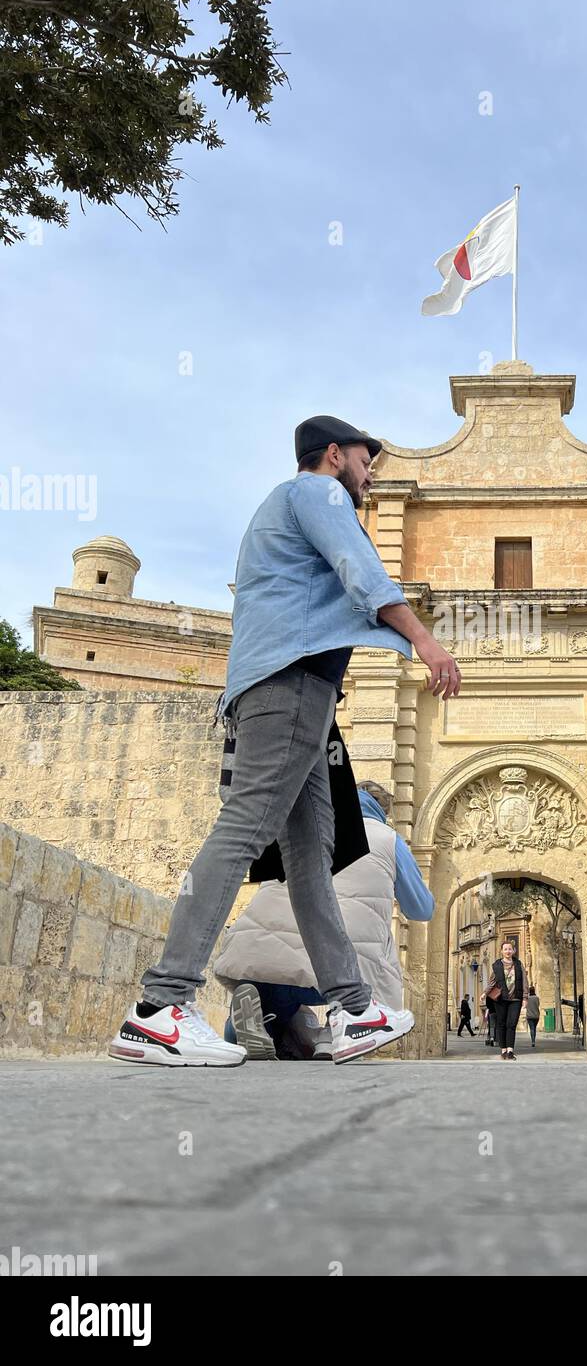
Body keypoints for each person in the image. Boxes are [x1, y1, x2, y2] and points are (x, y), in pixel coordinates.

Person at [109, 414, 461, 1068]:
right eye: (364, 460)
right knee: (245, 827)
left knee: (308, 857)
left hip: (299, 692)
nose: (370, 474)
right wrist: (425, 641)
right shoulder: (315, 491)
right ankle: (161, 1006)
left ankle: (353, 1009)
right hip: (290, 684)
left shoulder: (287, 504)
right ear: (333, 454)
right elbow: (361, 571)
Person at [215, 782, 434, 1059]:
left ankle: (251, 1021)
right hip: (334, 969)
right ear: (382, 811)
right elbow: (421, 910)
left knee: (271, 1001)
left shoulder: (293, 828)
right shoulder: (387, 838)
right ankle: (337, 1030)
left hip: (258, 955)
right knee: (373, 952)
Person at [485, 940, 526, 1060]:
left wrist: (525, 997)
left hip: (516, 999)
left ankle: (510, 1050)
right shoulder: (497, 965)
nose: (508, 951)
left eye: (510, 949)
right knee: (501, 1024)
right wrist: (485, 993)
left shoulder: (519, 964)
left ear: (513, 951)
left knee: (511, 1024)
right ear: (502, 951)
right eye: (505, 949)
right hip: (501, 999)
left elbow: (525, 981)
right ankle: (503, 1049)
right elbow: (492, 982)